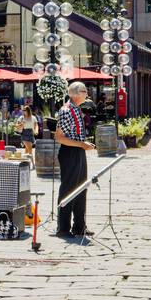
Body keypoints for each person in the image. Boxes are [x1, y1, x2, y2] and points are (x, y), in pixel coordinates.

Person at [54, 82, 96, 239]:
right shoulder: (66, 111)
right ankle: (63, 227)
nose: (87, 94)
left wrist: (83, 144)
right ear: (76, 93)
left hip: (78, 150)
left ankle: (79, 226)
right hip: (69, 151)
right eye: (85, 91)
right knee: (68, 188)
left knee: (81, 187)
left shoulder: (76, 109)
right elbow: (59, 137)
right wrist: (81, 144)